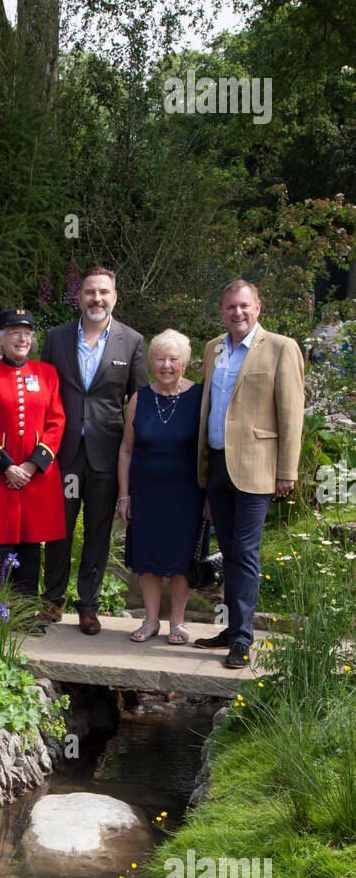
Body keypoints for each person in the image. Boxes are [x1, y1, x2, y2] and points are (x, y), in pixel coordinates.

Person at [194, 279, 304, 668]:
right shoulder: (213, 349)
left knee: (244, 552)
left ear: (258, 307)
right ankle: (230, 627)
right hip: (218, 465)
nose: (237, 313)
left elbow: (291, 413)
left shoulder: (280, 348)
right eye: (229, 307)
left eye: (243, 306)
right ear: (221, 311)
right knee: (228, 552)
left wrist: (286, 469)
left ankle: (242, 638)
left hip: (257, 467)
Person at [40, 266, 148, 634]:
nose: (96, 299)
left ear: (114, 297)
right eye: (89, 292)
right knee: (58, 527)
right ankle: (52, 601)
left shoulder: (131, 341)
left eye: (103, 292)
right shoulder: (56, 338)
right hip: (64, 452)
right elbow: (42, 392)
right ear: (80, 296)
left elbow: (138, 400)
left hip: (107, 453)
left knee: (99, 530)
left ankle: (88, 605)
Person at [0, 308, 65, 626]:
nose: (22, 338)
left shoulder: (47, 375)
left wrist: (33, 465)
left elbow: (56, 422)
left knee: (32, 547)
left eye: (27, 333)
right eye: (14, 332)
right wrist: (7, 467)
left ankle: (23, 615)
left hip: (35, 479)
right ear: (0, 338)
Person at [117, 330, 205, 644]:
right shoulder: (139, 398)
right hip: (146, 492)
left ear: (185, 361)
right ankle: (151, 619)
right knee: (148, 557)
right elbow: (126, 450)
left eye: (173, 359)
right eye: (159, 358)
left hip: (187, 494)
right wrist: (124, 495)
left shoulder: (200, 397)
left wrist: (208, 497)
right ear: (151, 361)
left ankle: (177, 623)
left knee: (183, 558)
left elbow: (208, 451)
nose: (166, 365)